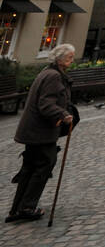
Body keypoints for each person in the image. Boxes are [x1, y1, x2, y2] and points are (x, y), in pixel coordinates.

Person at [7, 43, 80, 223]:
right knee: (44, 164)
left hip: (35, 131)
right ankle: (26, 207)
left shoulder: (50, 72)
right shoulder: (53, 76)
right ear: (60, 59)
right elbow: (45, 105)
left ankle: (18, 208)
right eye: (70, 57)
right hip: (39, 132)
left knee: (30, 168)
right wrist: (64, 115)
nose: (72, 60)